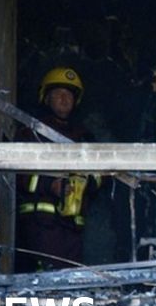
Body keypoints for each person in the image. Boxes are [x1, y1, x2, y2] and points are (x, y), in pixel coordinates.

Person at [14, 66, 101, 272]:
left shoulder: (83, 137)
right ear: (46, 98)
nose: (64, 99)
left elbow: (101, 176)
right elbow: (16, 172)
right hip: (39, 225)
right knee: (42, 279)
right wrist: (50, 185)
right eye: (58, 94)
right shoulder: (31, 133)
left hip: (73, 226)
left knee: (69, 279)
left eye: (69, 94)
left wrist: (83, 183)